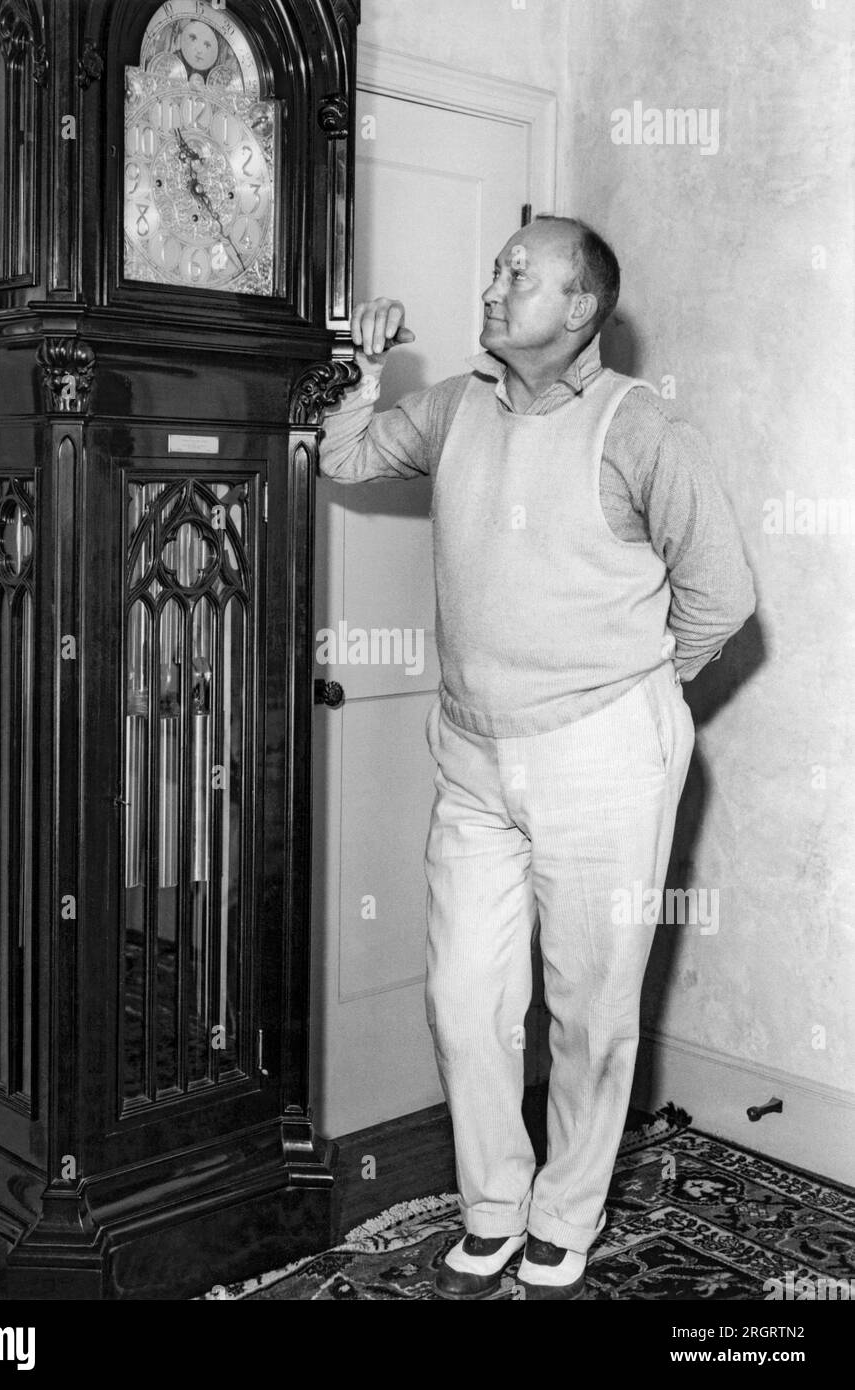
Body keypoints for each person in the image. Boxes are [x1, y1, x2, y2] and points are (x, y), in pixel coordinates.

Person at [318, 215, 756, 1300]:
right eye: (498, 266)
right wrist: (362, 370)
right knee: (465, 997)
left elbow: (720, 593)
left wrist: (636, 690)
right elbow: (344, 454)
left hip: (601, 751)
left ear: (578, 310)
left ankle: (563, 1215)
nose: (495, 280)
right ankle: (492, 1206)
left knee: (590, 1008)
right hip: (470, 756)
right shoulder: (456, 405)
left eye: (524, 272)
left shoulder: (637, 425)